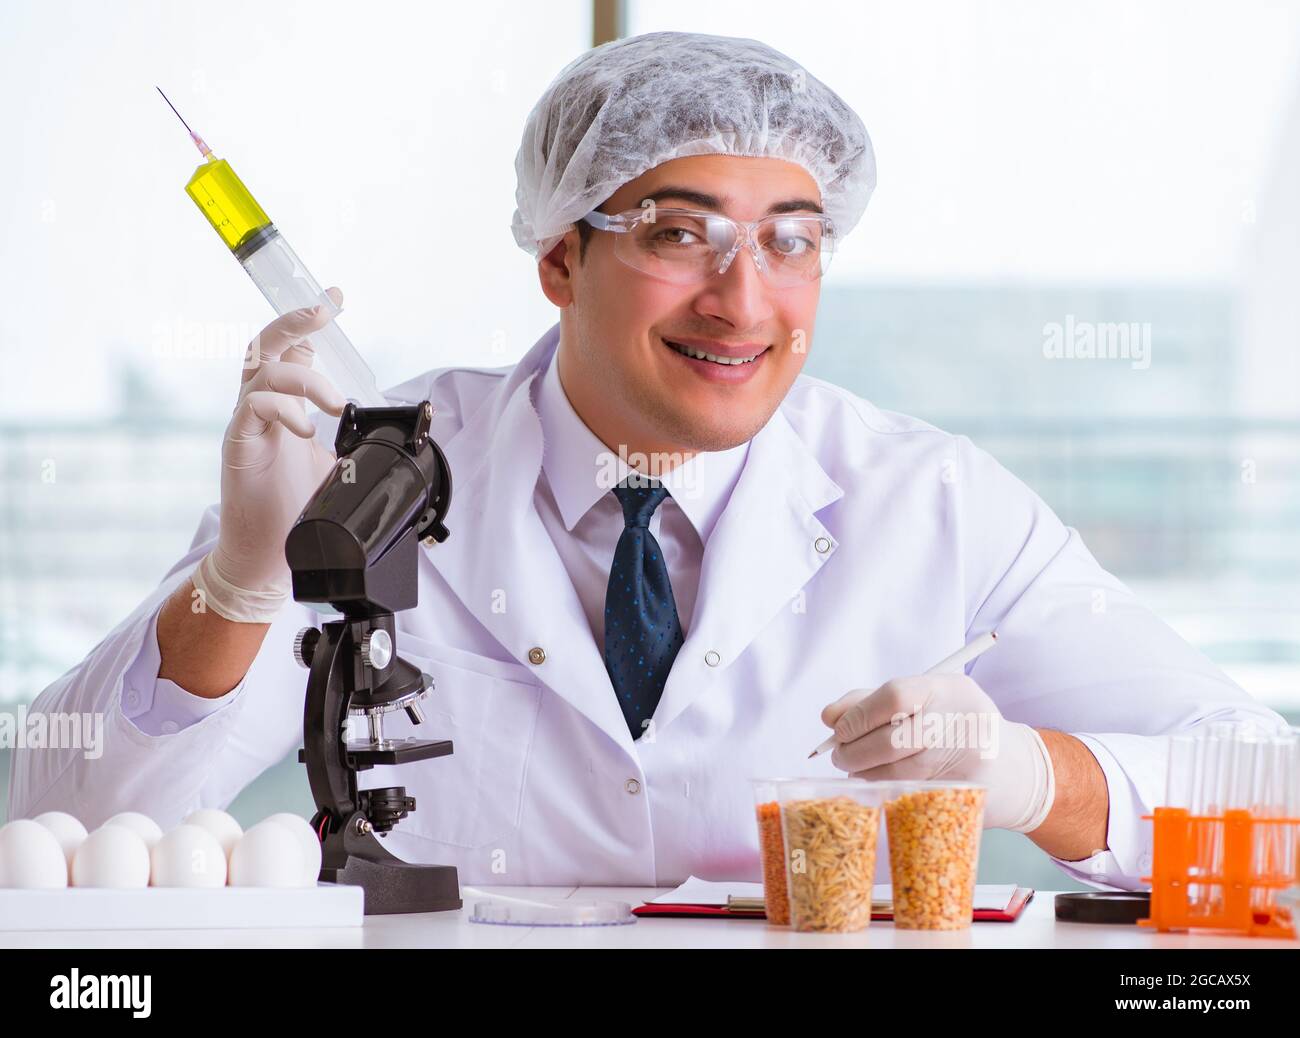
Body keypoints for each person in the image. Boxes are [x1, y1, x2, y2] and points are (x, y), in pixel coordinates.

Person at [9, 31, 1284, 889]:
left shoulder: (932, 504)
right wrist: (238, 583)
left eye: (793, 242)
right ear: (561, 257)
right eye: (681, 235)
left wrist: (1027, 774)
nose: (744, 301)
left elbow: (1260, 791)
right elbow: (59, 820)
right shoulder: (376, 467)